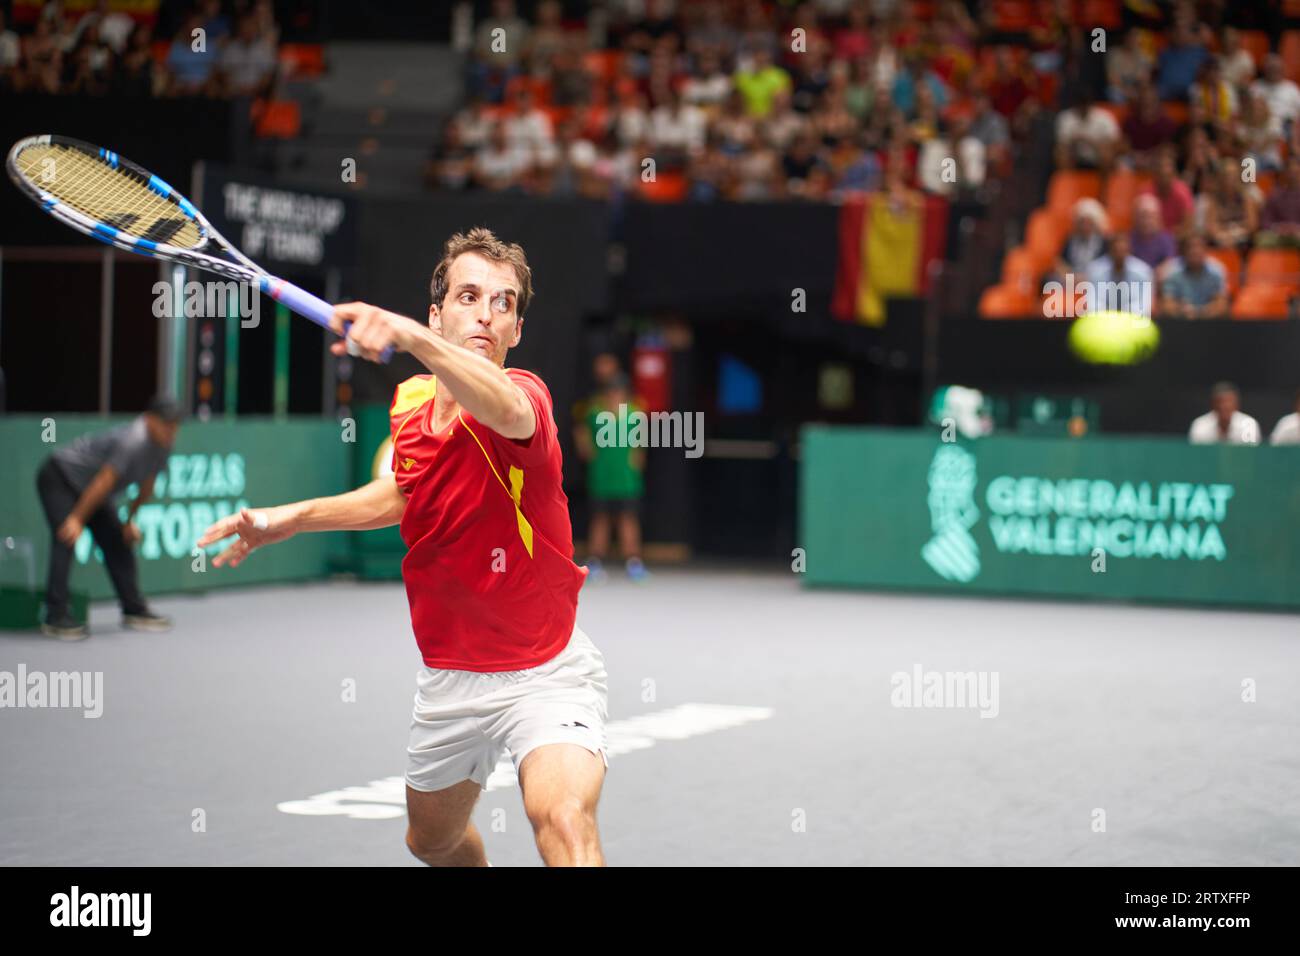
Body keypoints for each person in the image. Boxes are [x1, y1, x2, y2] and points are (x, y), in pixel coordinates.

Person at [197, 228, 608, 867]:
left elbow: (496, 402)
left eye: (503, 303)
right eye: (469, 296)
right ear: (439, 313)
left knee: (560, 815)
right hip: (451, 676)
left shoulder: (524, 399)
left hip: (545, 671)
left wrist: (408, 337)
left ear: (517, 331)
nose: (486, 313)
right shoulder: (411, 404)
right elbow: (398, 494)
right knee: (432, 842)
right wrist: (290, 518)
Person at [35, 396, 180, 638]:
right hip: (59, 476)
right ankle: (55, 615)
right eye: (166, 424)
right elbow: (104, 482)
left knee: (118, 542)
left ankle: (134, 609)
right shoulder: (133, 441)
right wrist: (77, 519)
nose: (171, 431)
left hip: (89, 488)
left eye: (174, 426)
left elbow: (146, 488)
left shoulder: (164, 445)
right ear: (149, 420)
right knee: (66, 537)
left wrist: (129, 521)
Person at [574, 366, 648, 583]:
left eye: (618, 390)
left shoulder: (635, 413)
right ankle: (595, 563)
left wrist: (638, 459)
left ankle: (634, 563)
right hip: (602, 475)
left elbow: (640, 443)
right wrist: (586, 449)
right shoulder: (595, 412)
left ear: (625, 392)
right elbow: (580, 430)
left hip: (627, 477)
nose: (614, 394)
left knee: (628, 519)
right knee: (601, 520)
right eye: (611, 390)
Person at [1159, 233, 1228, 319]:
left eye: (1200, 246)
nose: (1195, 251)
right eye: (1190, 247)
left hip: (1209, 323)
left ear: (1206, 250)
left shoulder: (1217, 270)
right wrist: (1181, 309)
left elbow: (1222, 305)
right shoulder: (1171, 271)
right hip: (1180, 323)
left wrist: (1203, 312)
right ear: (1183, 251)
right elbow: (1166, 306)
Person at [1188, 381, 1261, 444]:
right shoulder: (1200, 425)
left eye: (1229, 401)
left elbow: (1250, 455)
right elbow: (1197, 455)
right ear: (1213, 404)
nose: (1224, 406)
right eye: (1220, 402)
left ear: (1237, 404)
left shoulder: (1248, 424)